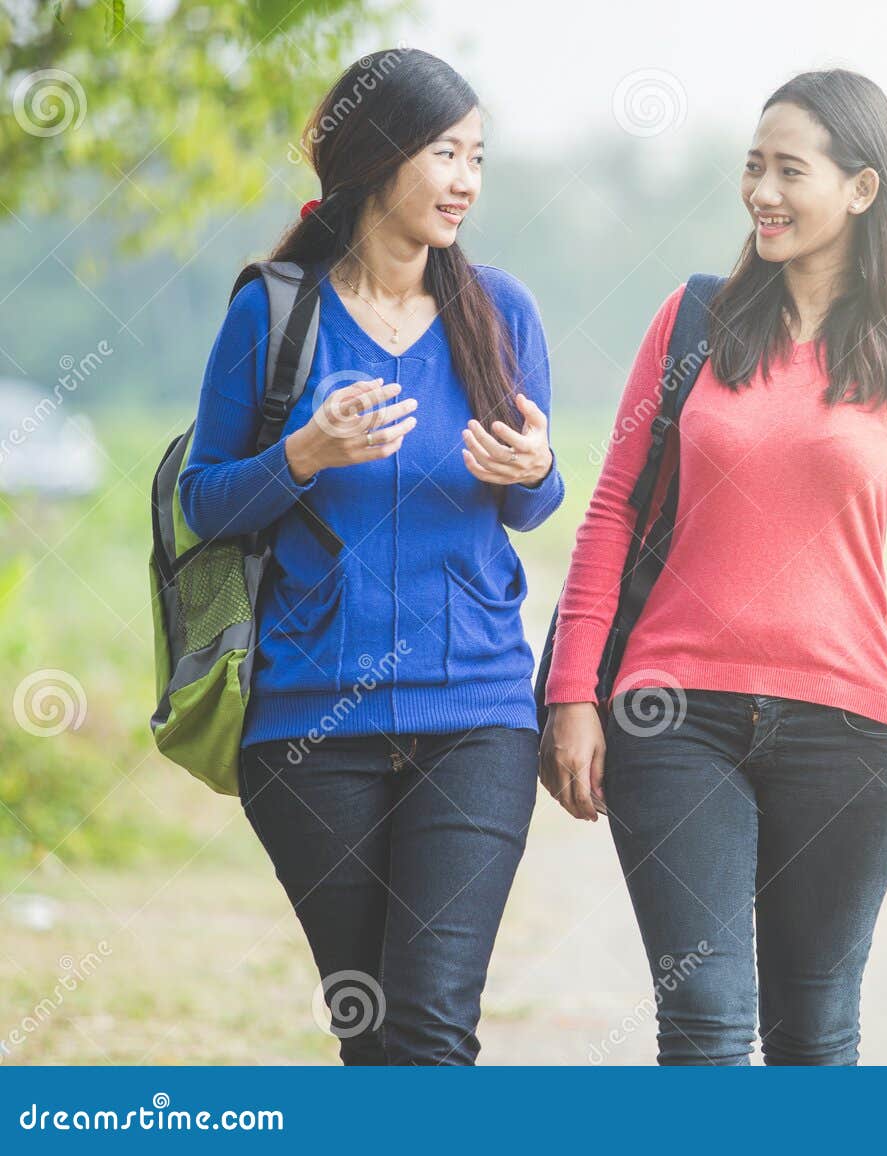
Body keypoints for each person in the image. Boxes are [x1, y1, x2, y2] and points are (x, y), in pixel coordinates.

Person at [539, 68, 887, 1065]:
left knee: (813, 1030)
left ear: (862, 190)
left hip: (845, 728)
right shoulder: (693, 322)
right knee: (701, 1016)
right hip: (671, 713)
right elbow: (612, 509)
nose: (762, 194)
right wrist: (573, 691)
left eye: (791, 170)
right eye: (753, 168)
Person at [179, 48, 562, 1064]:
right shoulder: (272, 313)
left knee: (430, 1021)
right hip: (310, 722)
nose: (466, 181)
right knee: (372, 1028)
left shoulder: (501, 311)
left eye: (477, 157)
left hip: (476, 714)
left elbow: (533, 503)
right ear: (379, 155)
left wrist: (537, 465)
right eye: (445, 153)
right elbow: (202, 503)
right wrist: (303, 454)